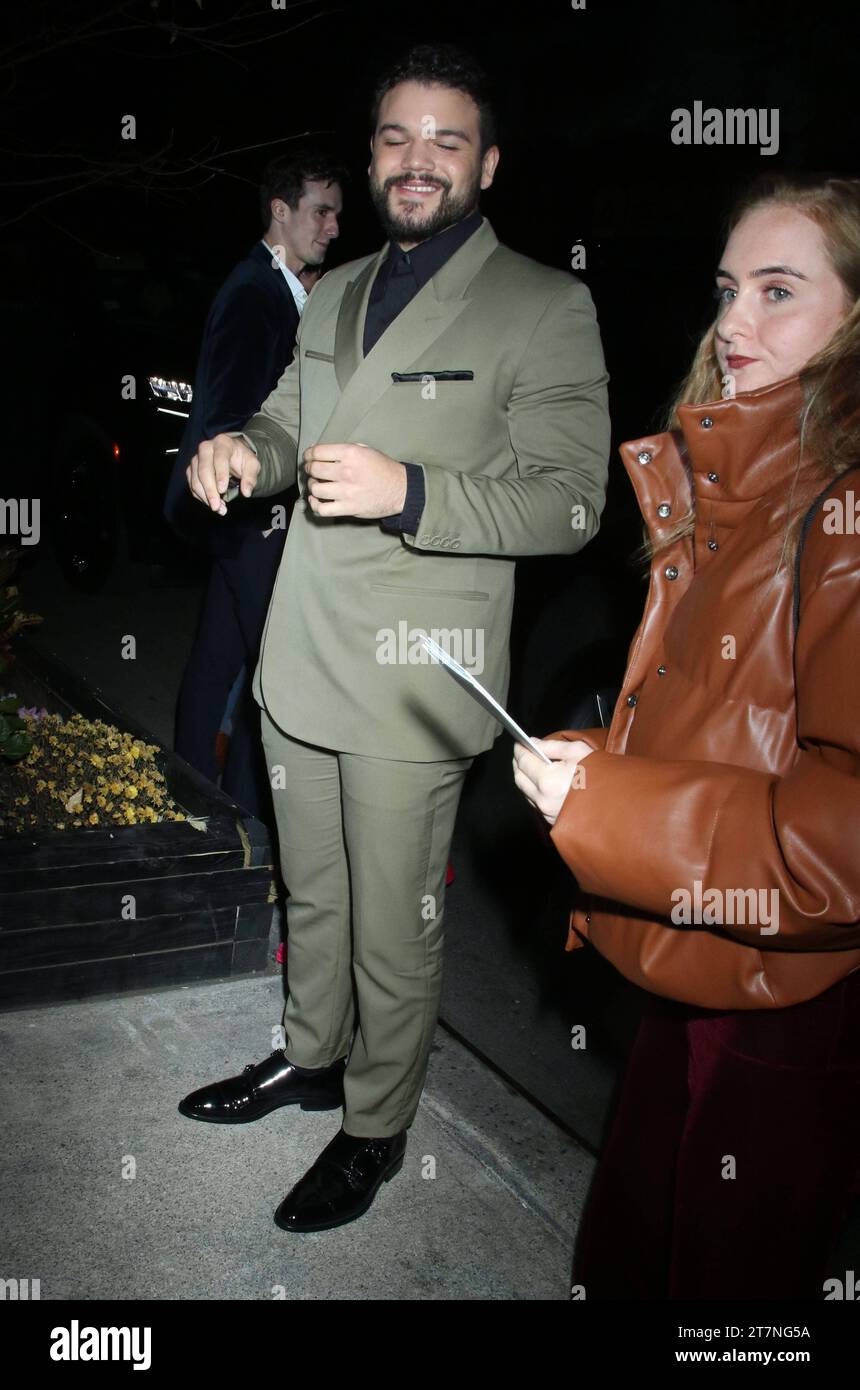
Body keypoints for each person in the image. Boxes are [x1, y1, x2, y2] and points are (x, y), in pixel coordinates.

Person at [179, 42, 611, 1233]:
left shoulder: (543, 302)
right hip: (300, 656)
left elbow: (571, 500)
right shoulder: (338, 285)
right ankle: (310, 1058)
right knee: (307, 893)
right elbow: (284, 417)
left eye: (445, 139)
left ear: (487, 162)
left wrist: (409, 488)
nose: (416, 160)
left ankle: (375, 1124)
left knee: (393, 924)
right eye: (394, 137)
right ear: (371, 155)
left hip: (414, 677)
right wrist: (242, 453)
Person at [513, 173, 860, 1300]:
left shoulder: (844, 513)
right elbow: (729, 730)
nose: (730, 324)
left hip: (786, 1002)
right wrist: (603, 770)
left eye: (776, 291)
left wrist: (609, 812)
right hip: (697, 958)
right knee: (629, 1252)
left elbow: (839, 838)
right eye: (725, 289)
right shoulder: (750, 482)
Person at [164, 151, 344, 821]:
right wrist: (262, 506)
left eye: (336, 213)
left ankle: (189, 801)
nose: (332, 226)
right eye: (320, 211)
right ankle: (237, 819)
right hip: (249, 518)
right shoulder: (251, 292)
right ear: (281, 210)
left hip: (241, 521)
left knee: (217, 658)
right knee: (272, 675)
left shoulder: (282, 289)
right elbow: (226, 421)